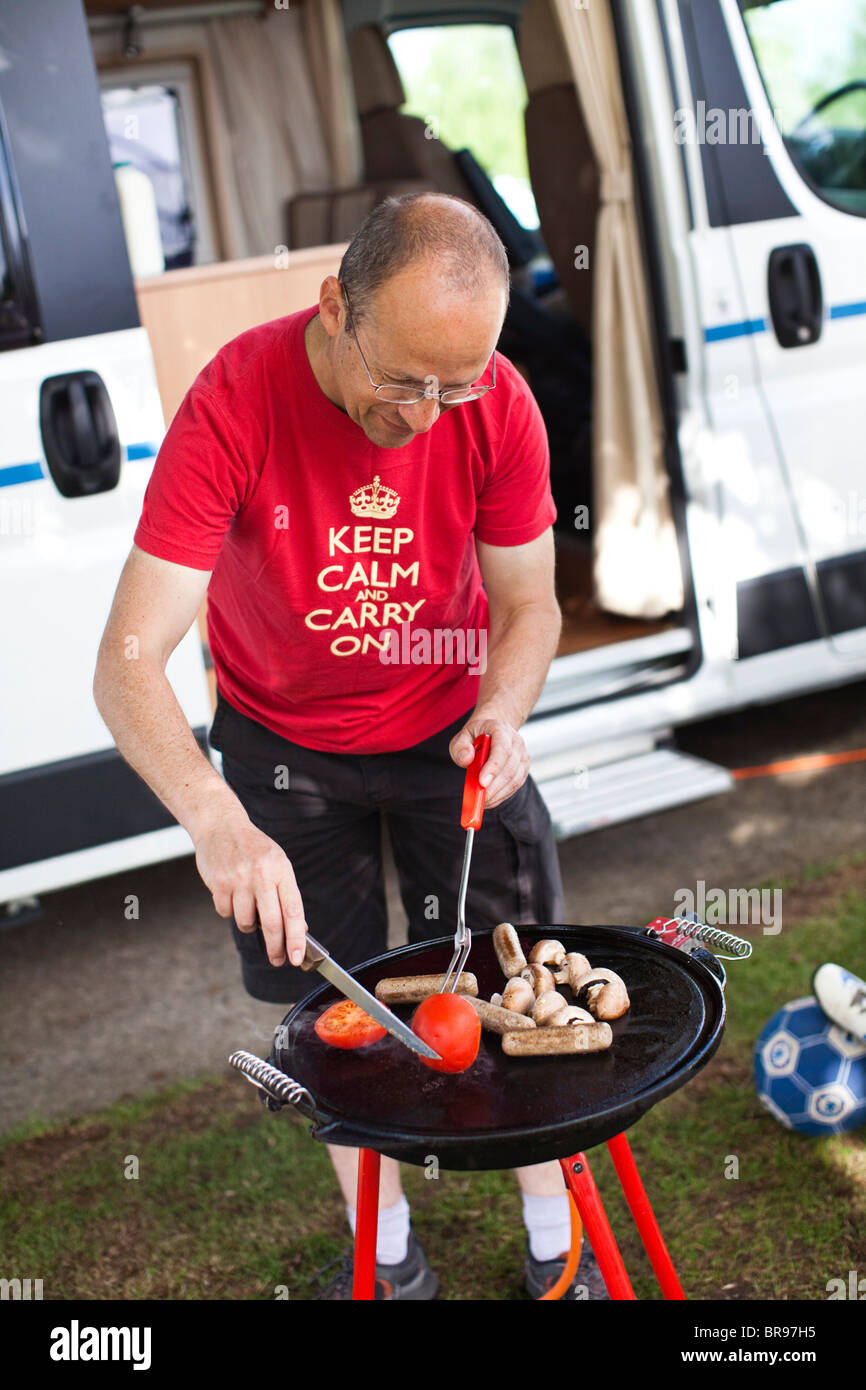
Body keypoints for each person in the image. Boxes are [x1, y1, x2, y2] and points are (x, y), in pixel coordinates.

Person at [93, 192, 605, 1300]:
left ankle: (551, 1233)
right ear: (335, 307)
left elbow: (530, 605)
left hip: (451, 736)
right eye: (401, 378)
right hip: (284, 748)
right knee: (329, 1017)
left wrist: (503, 709)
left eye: (454, 383)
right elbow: (128, 661)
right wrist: (217, 823)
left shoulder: (498, 404)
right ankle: (388, 1254)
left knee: (517, 983)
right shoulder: (233, 399)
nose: (428, 414)